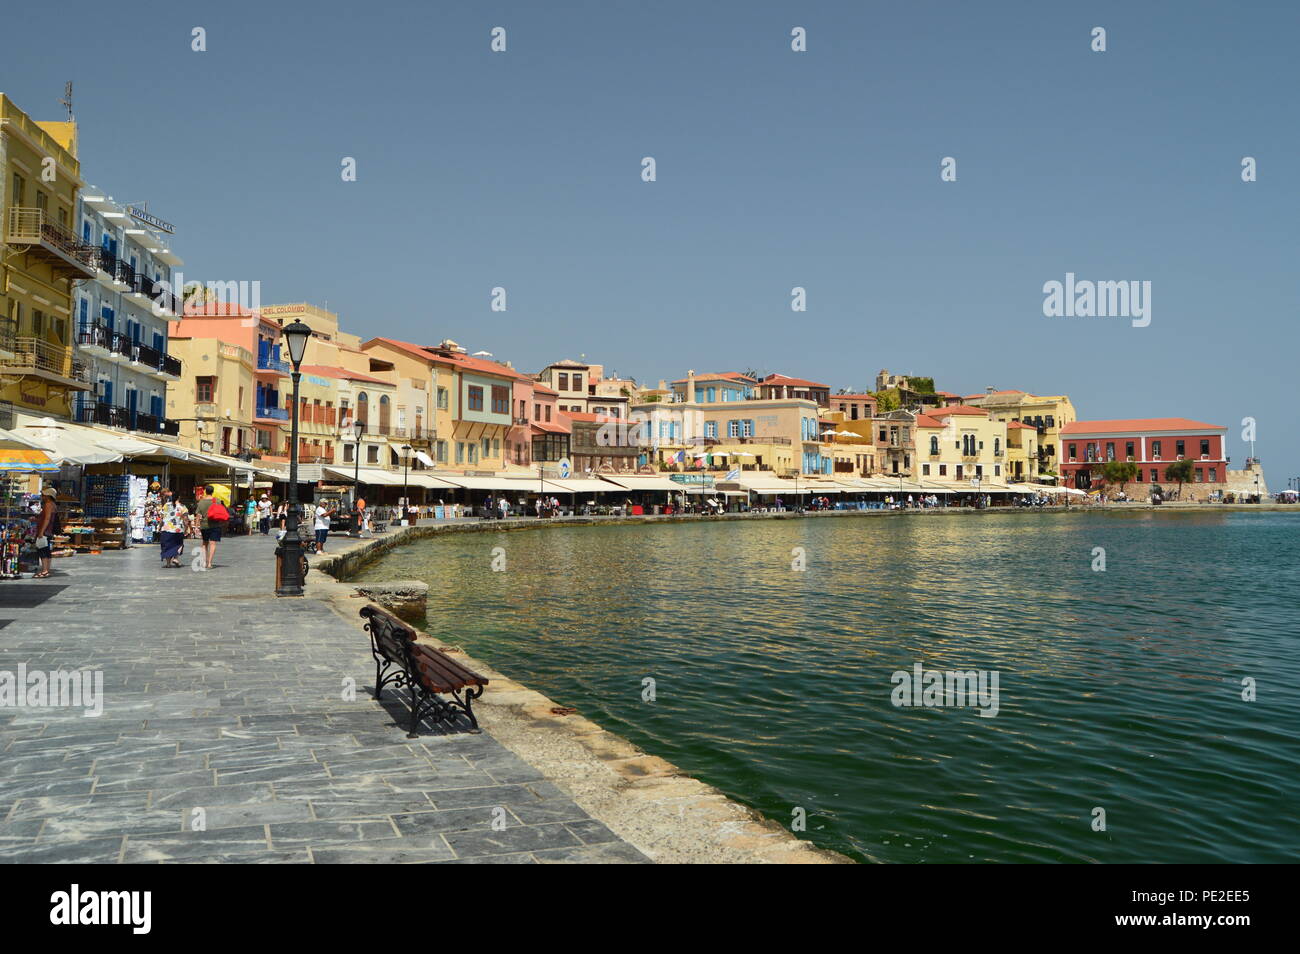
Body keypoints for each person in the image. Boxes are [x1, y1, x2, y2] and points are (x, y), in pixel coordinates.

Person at [196, 484, 228, 569]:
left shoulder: (201, 501)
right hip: (215, 524)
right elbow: (222, 510)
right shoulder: (217, 500)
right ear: (213, 492)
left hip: (204, 525)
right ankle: (209, 563)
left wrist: (196, 526)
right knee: (213, 543)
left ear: (205, 491)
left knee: (204, 544)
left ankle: (203, 562)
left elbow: (198, 515)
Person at [31, 484, 58, 579]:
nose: (42, 497)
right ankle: (46, 570)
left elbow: (47, 519)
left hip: (45, 531)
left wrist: (41, 532)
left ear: (48, 496)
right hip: (49, 531)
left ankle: (45, 570)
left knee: (42, 550)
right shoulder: (53, 505)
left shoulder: (48, 505)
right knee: (47, 551)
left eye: (43, 495)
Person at [158, 490, 188, 568]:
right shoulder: (183, 507)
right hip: (178, 529)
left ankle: (168, 564)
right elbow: (185, 520)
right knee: (178, 544)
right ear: (179, 497)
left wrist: (160, 527)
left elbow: (162, 518)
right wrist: (186, 528)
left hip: (166, 529)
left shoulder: (166, 505)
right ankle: (175, 558)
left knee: (167, 545)